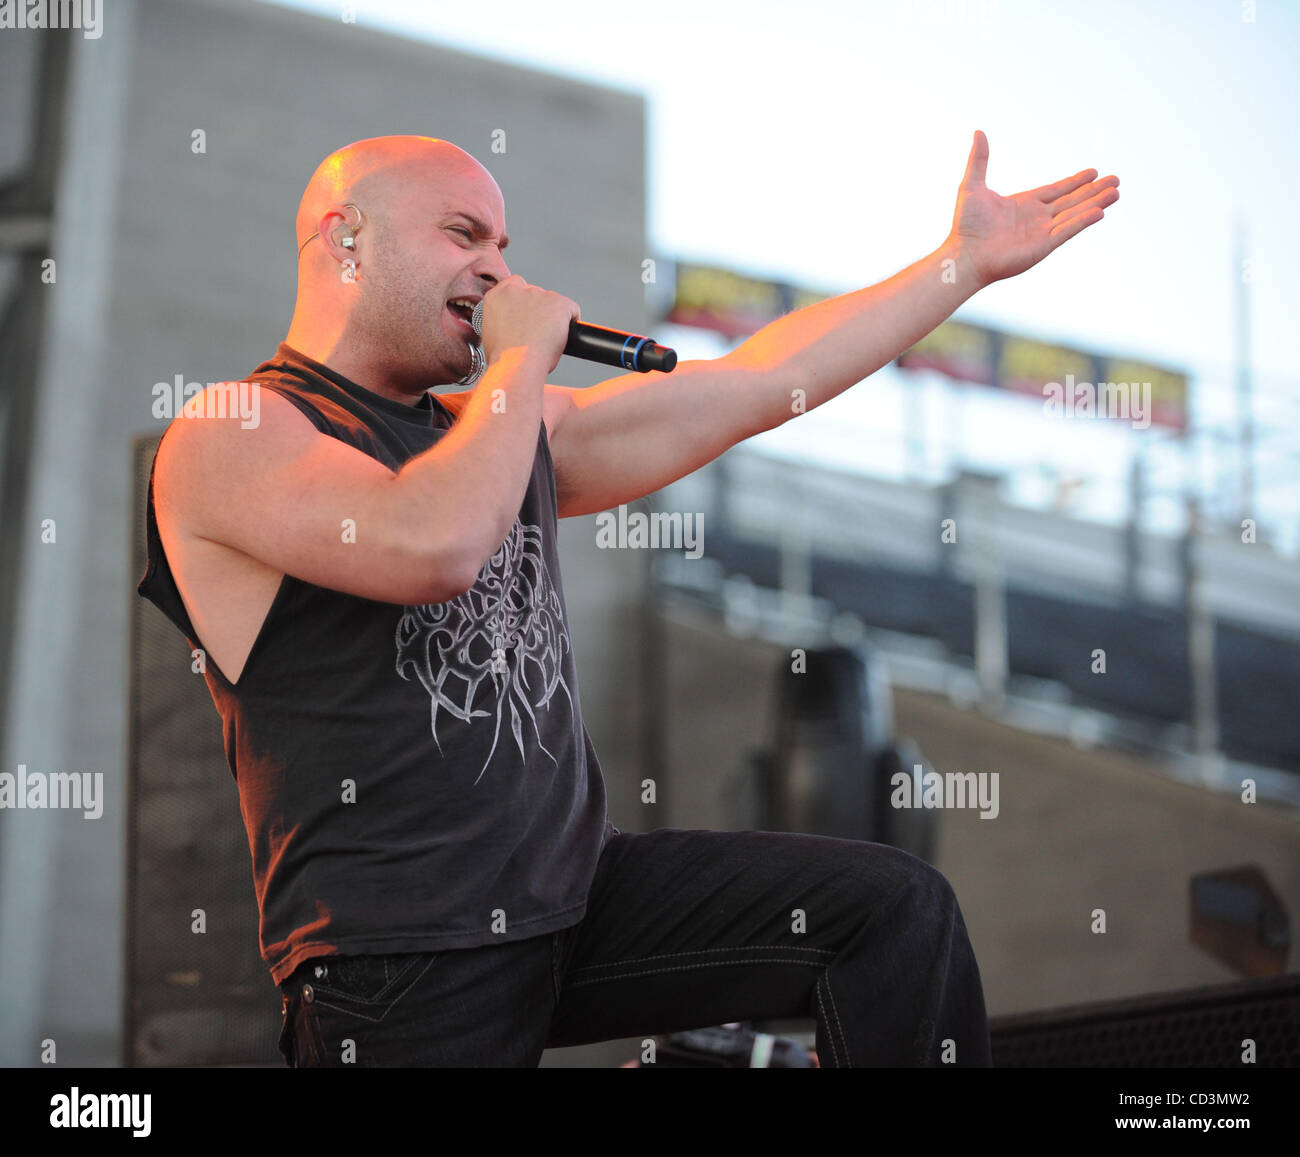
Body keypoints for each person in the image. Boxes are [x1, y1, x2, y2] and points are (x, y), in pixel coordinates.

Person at [138, 133, 1118, 1067]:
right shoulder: (235, 429)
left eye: (506, 246)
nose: (499, 273)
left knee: (888, 907)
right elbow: (425, 544)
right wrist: (520, 364)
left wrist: (960, 265)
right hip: (397, 948)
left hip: (579, 895)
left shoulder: (502, 426)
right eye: (464, 235)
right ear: (346, 235)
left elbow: (758, 379)